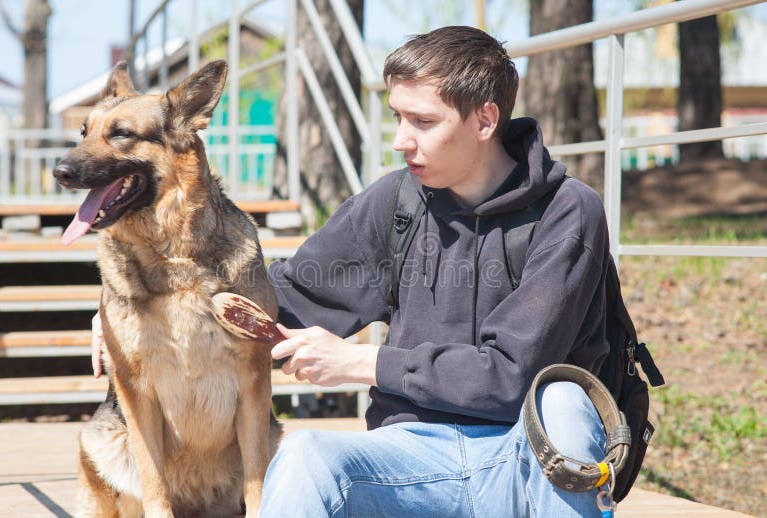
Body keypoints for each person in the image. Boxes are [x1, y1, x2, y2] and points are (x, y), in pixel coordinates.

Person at [93, 25, 612, 517]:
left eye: (423, 122)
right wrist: (133, 314)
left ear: (484, 120)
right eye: (398, 117)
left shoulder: (568, 214)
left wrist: (365, 364)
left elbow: (510, 375)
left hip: (522, 459)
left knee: (562, 400)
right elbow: (279, 299)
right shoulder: (397, 201)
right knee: (303, 456)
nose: (400, 141)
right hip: (408, 460)